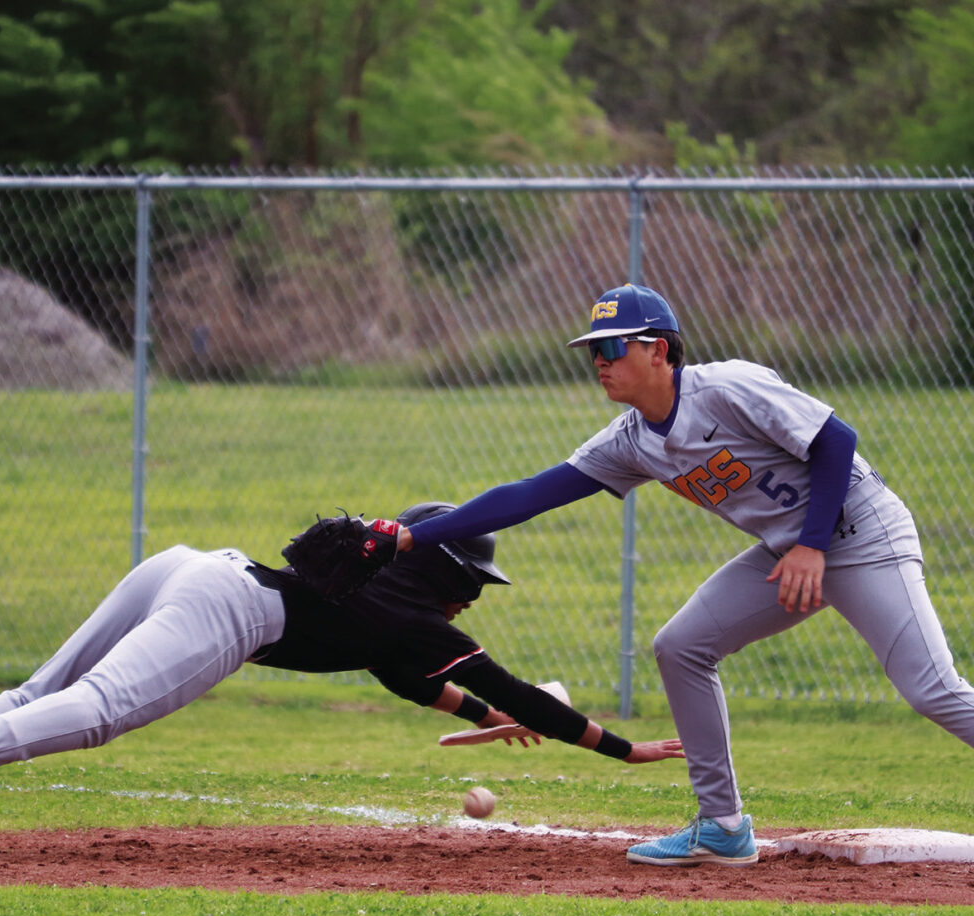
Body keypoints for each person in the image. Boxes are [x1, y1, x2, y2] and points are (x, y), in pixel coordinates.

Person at [394, 284, 974, 867]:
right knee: (682, 645)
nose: (600, 360)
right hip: (789, 553)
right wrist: (414, 535)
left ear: (658, 351)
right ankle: (722, 825)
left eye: (613, 346)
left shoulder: (725, 388)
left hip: (862, 535)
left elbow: (835, 440)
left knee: (932, 689)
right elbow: (528, 496)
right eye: (592, 350)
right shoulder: (630, 440)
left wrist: (812, 545)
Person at [0, 501, 683, 772]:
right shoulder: (415, 619)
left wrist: (486, 718)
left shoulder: (389, 613)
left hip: (189, 566)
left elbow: (419, 684)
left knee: (39, 692)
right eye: (472, 584)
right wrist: (622, 749)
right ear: (447, 574)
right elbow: (511, 688)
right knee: (99, 710)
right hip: (229, 610)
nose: (470, 600)